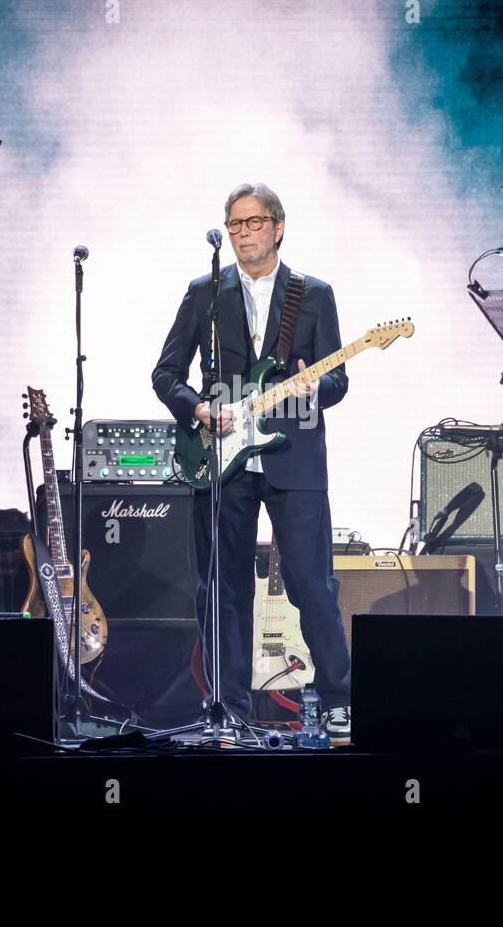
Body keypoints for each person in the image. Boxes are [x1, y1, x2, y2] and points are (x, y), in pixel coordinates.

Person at [152, 183, 352, 737]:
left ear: (278, 227)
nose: (243, 233)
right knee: (223, 588)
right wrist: (198, 410)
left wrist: (308, 387)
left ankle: (338, 696)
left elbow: (337, 380)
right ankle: (230, 708)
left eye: (253, 223)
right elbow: (165, 374)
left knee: (313, 584)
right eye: (235, 224)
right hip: (223, 461)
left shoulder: (313, 294)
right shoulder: (204, 292)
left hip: (296, 459)